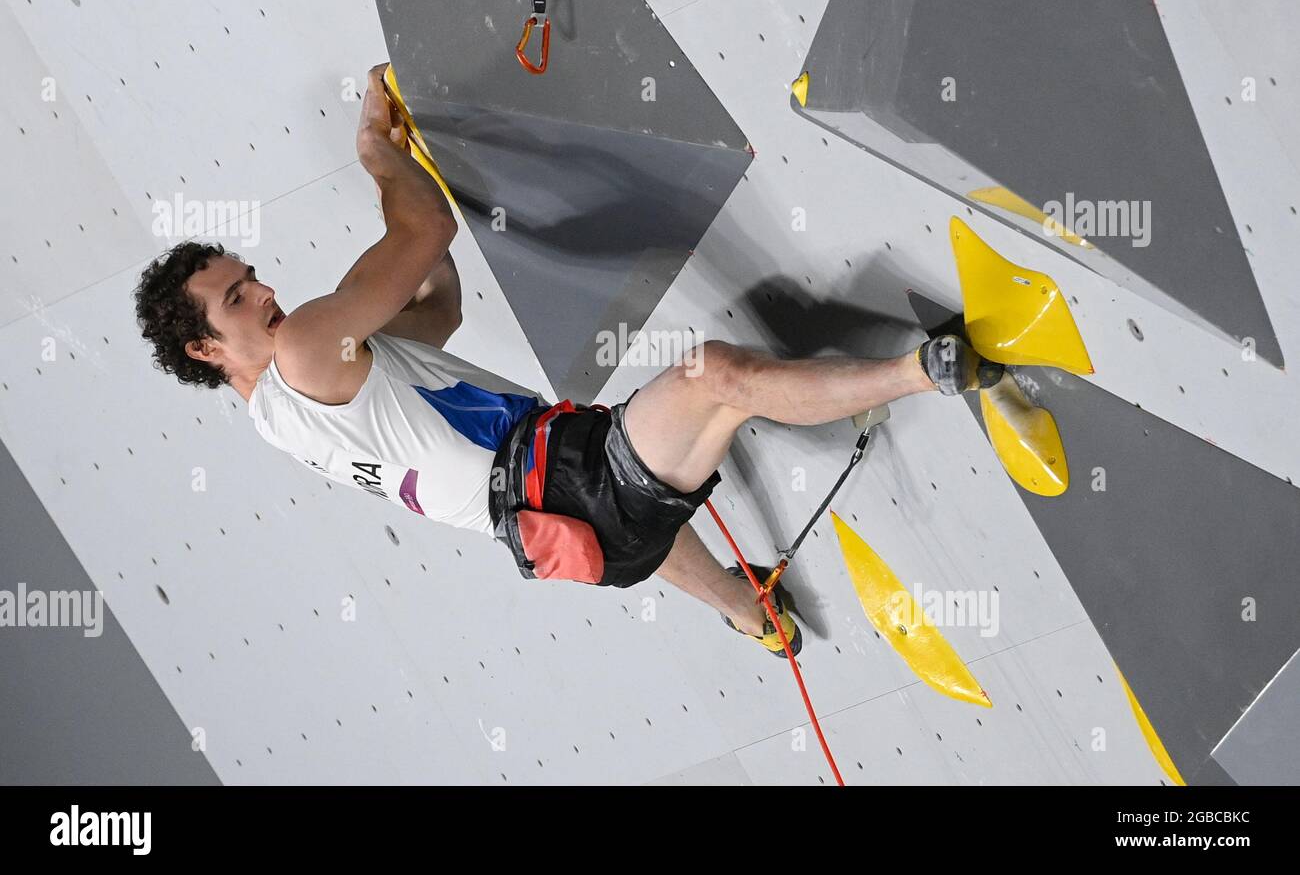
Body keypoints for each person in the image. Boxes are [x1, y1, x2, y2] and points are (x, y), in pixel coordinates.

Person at [134, 64, 1000, 659]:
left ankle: (747, 613)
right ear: (206, 347)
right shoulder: (303, 350)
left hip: (563, 537)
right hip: (565, 482)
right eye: (238, 297)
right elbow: (423, 233)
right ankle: (926, 371)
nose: (266, 290)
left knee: (647, 513)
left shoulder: (285, 416)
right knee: (718, 380)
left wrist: (416, 185)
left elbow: (437, 310)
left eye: (250, 276)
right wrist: (378, 153)